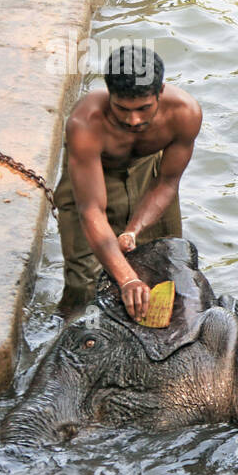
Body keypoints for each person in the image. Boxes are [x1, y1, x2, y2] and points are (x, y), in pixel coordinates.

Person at [56, 45, 201, 319]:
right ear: (109, 95)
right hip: (93, 175)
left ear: (160, 92)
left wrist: (133, 230)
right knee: (84, 282)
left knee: (163, 268)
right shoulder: (85, 123)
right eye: (122, 109)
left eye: (144, 109)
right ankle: (69, 334)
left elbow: (167, 183)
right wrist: (126, 279)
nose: (133, 120)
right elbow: (91, 211)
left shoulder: (185, 114)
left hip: (151, 175)